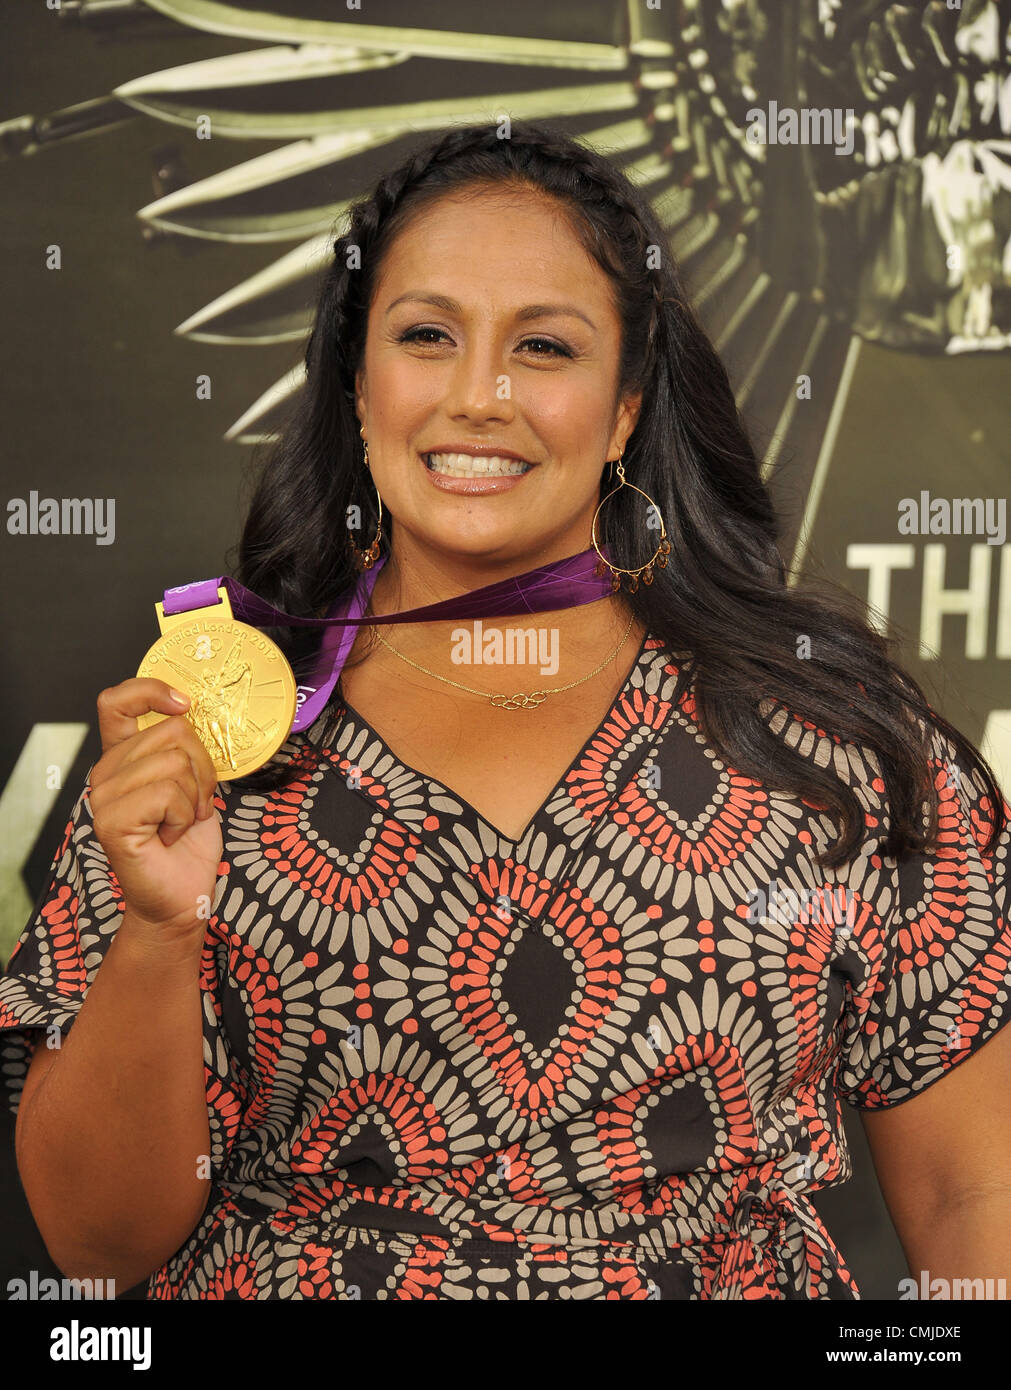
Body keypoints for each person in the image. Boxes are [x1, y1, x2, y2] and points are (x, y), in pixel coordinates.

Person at [3, 120, 1009, 1301]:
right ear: (358, 382)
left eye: (544, 346)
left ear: (629, 403)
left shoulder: (827, 735)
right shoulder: (208, 731)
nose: (480, 395)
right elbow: (94, 1247)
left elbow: (969, 1196)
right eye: (427, 335)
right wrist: (161, 930)